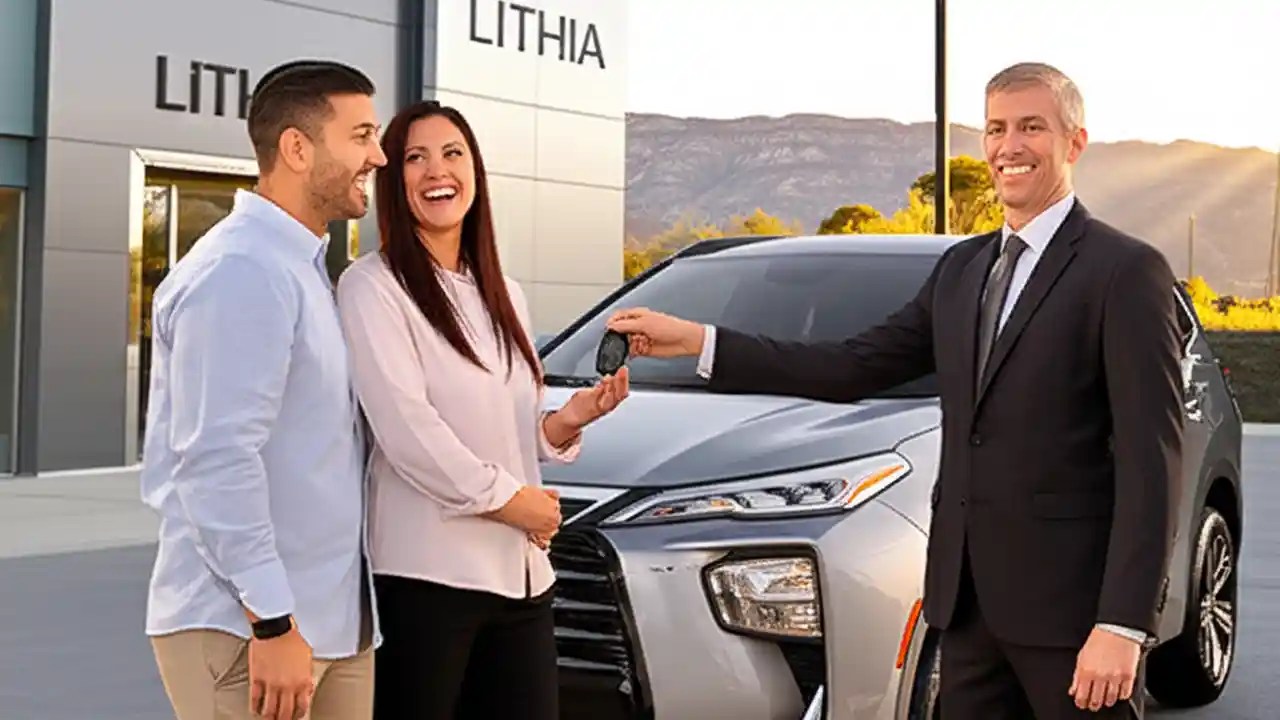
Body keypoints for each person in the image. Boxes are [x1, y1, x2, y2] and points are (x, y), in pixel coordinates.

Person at [608, 62, 1181, 719]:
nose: (1008, 146)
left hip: (1073, 620)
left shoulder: (1125, 271)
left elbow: (1152, 464)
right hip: (964, 614)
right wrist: (701, 343)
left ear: (1074, 142)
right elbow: (849, 366)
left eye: (1031, 127)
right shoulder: (962, 270)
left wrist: (1123, 624)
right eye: (996, 129)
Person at [334, 99, 629, 720]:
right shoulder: (372, 287)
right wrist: (513, 501)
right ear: (394, 180)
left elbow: (508, 426)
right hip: (428, 580)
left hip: (522, 578)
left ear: (475, 172)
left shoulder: (504, 293)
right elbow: (407, 433)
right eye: (415, 157)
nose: (436, 170)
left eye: (452, 153)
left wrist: (568, 420)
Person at [141, 59, 387, 720]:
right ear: (298, 148)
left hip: (329, 626)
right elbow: (217, 459)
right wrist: (272, 621)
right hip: (250, 631)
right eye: (362, 135)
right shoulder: (242, 270)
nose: (381, 156)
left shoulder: (301, 267)